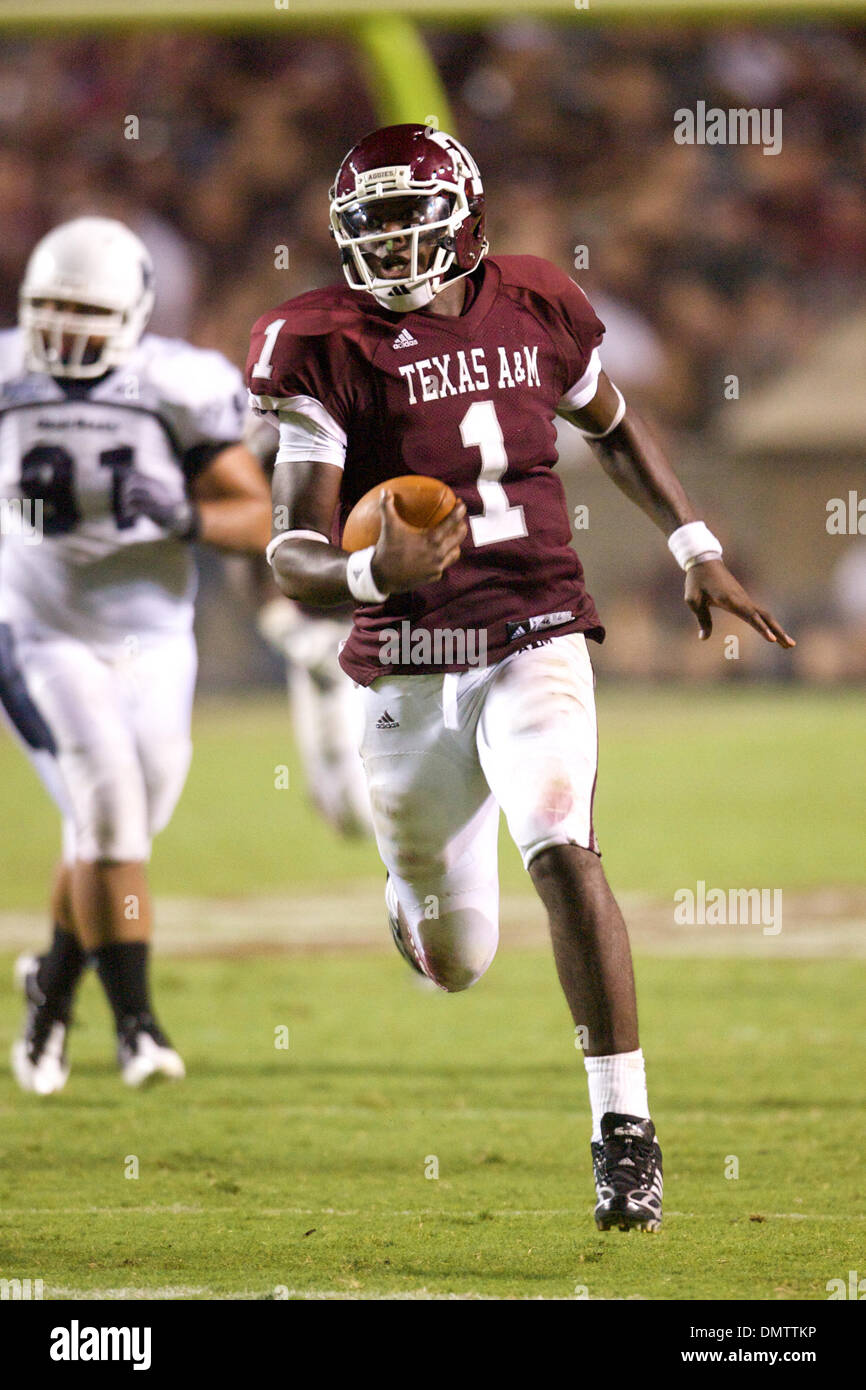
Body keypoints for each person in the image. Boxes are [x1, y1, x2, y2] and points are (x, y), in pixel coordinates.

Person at [246, 125, 794, 1232]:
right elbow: (287, 548)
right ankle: (412, 906)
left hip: (530, 631)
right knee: (456, 959)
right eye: (373, 225)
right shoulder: (318, 340)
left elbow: (616, 426)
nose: (394, 244)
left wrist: (694, 549)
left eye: (412, 219)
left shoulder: (539, 301)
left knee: (558, 840)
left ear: (466, 218)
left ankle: (622, 1131)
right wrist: (367, 567)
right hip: (403, 669)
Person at [1, 216, 270, 1092]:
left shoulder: (177, 385)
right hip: (37, 634)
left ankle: (50, 991)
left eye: (85, 312)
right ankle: (138, 1030)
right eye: (51, 310)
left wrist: (187, 516)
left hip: (154, 639)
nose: (65, 331)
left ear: (133, 313)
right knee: (111, 811)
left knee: (111, 833)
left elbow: (258, 516)